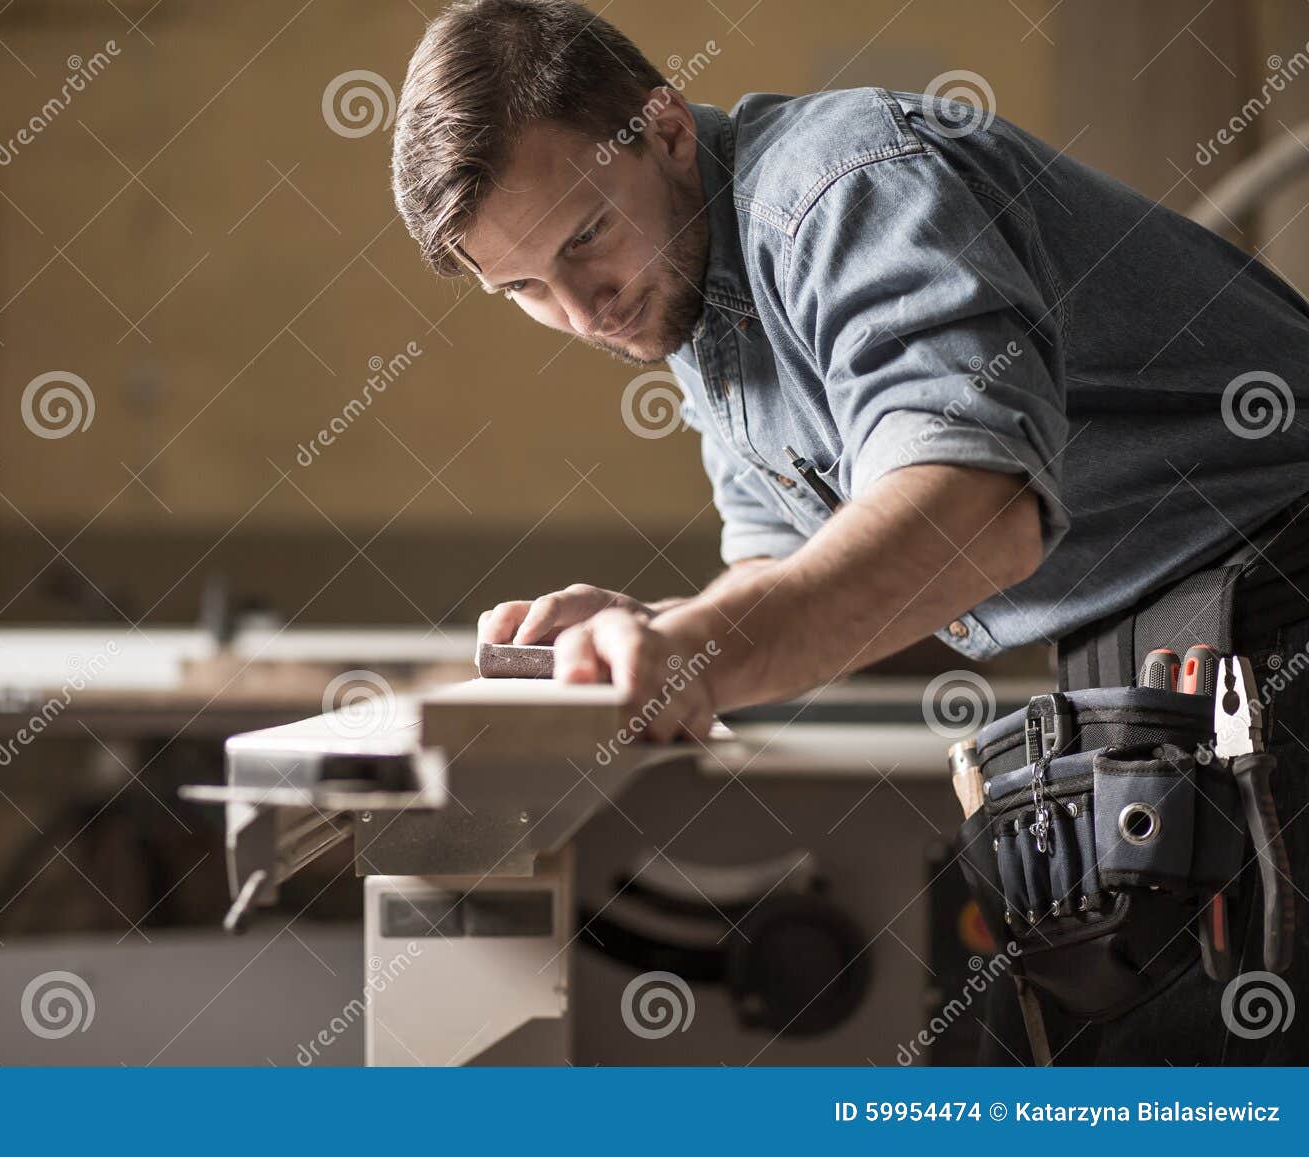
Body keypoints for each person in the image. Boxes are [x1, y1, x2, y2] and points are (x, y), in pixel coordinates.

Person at [391, 0, 1309, 1063]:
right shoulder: (696, 299)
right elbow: (784, 575)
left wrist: (695, 653)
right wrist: (654, 628)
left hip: (1274, 584)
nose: (583, 310)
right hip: (1159, 629)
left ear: (667, 126)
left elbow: (974, 510)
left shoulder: (841, 186)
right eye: (522, 289)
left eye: (585, 236)